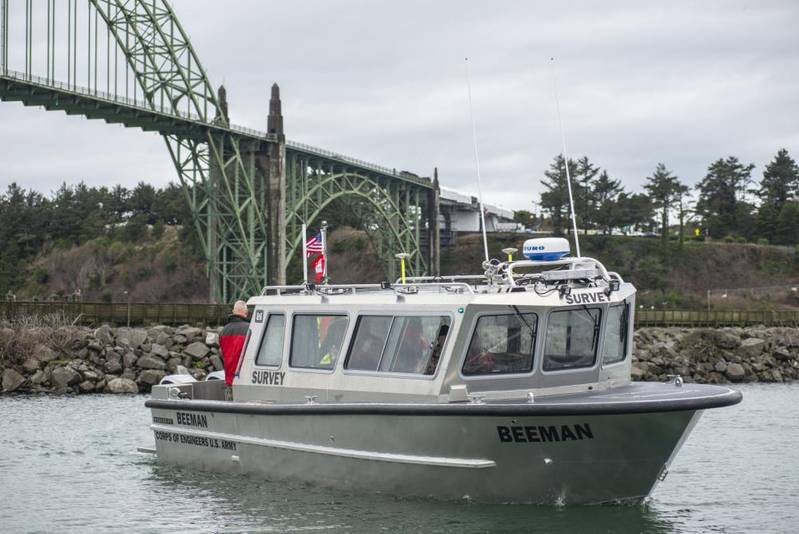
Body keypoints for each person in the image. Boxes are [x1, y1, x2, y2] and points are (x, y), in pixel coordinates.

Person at [220, 300, 250, 387]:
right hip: (245, 380)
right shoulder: (250, 329)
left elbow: (222, 354)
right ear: (246, 312)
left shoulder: (223, 331)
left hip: (229, 380)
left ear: (233, 312)